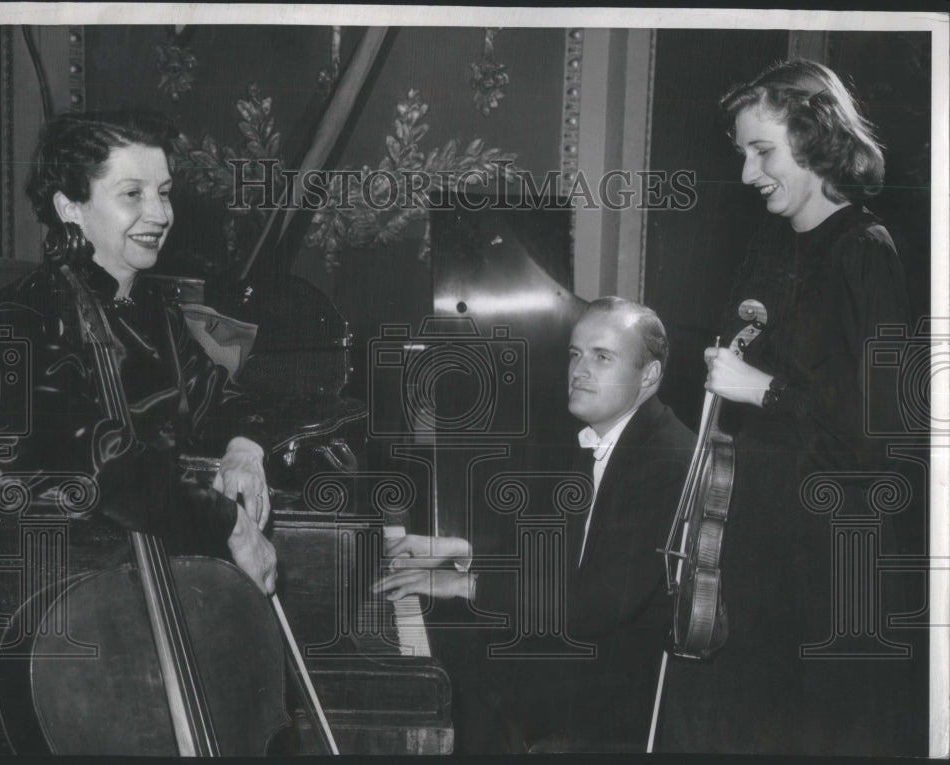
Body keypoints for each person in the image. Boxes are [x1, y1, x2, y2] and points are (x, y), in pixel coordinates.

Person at [657, 60, 925, 755]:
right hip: (764, 545)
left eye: (762, 150)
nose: (747, 173)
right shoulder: (771, 244)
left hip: (833, 561)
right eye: (742, 153)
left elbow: (882, 431)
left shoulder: (865, 251)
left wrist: (762, 389)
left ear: (817, 138)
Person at [375, 297, 694, 753]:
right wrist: (460, 550)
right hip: (581, 660)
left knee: (452, 665)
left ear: (649, 376)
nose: (580, 369)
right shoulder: (602, 437)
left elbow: (592, 607)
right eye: (575, 354)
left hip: (614, 695)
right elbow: (555, 560)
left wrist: (462, 585)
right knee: (447, 644)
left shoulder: (667, 460)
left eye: (602, 357)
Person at [0, 109, 277, 594]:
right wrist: (228, 523)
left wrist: (244, 450)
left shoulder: (154, 309)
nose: (160, 215)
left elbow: (219, 397)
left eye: (163, 193)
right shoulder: (29, 308)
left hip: (170, 562)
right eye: (132, 194)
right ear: (70, 207)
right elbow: (94, 459)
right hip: (76, 580)